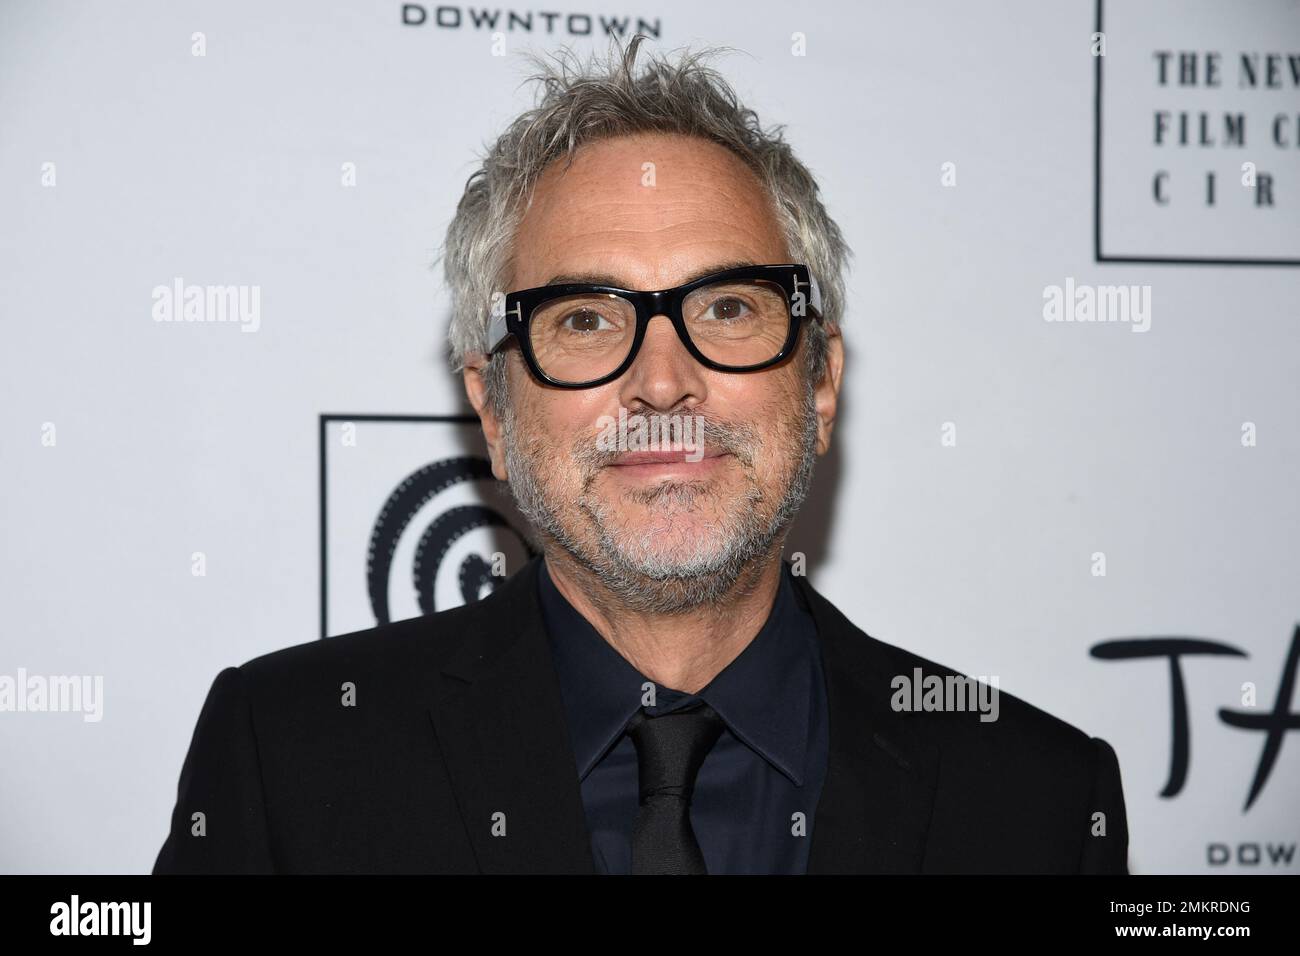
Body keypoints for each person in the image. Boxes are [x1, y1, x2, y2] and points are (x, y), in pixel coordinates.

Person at [154, 35, 1128, 874]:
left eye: (727, 308)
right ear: (490, 405)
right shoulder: (290, 757)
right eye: (585, 318)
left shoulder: (1034, 800)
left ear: (820, 382)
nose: (662, 381)